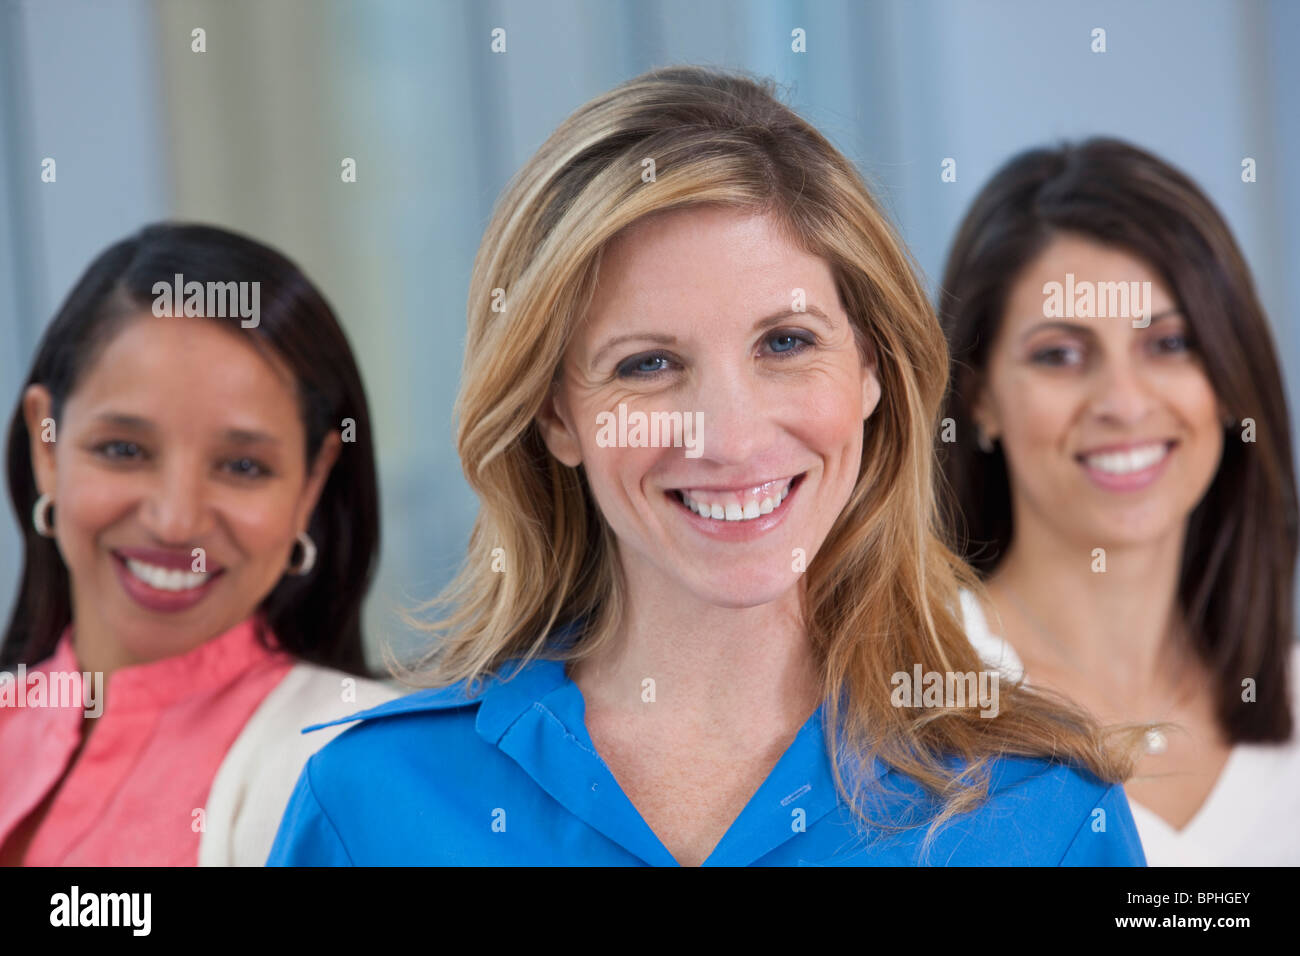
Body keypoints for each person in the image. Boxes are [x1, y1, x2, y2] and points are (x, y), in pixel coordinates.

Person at [268, 67, 1145, 866]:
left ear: (873, 369)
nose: (729, 436)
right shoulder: (372, 806)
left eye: (787, 343)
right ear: (553, 413)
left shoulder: (1049, 816)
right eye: (647, 363)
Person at [937, 138, 1300, 865]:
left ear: (1229, 380)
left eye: (1168, 344)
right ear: (980, 398)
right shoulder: (911, 691)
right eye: (1060, 355)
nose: (1123, 403)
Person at [0, 223, 398, 866]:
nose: (175, 523)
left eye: (243, 467)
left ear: (311, 483)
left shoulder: (354, 766)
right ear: (46, 445)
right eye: (123, 450)